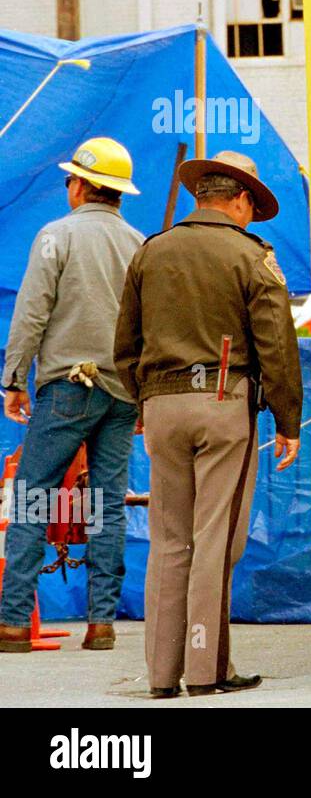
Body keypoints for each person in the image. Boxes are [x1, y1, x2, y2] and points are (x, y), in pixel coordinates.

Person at [114, 150, 301, 699]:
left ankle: (160, 676)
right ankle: (206, 671)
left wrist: (143, 402)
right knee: (215, 540)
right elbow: (276, 346)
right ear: (240, 200)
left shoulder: (152, 251)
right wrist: (288, 420)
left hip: (161, 409)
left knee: (171, 541)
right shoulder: (251, 256)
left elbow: (124, 343)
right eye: (251, 206)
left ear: (200, 198)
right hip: (223, 404)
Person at [0, 138, 143, 654]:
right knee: (107, 505)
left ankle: (14, 623)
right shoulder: (138, 243)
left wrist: (14, 378)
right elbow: (146, 325)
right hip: (123, 392)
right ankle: (101, 624)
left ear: (80, 185)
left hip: (67, 385)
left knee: (34, 496)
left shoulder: (55, 236)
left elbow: (32, 312)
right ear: (118, 193)